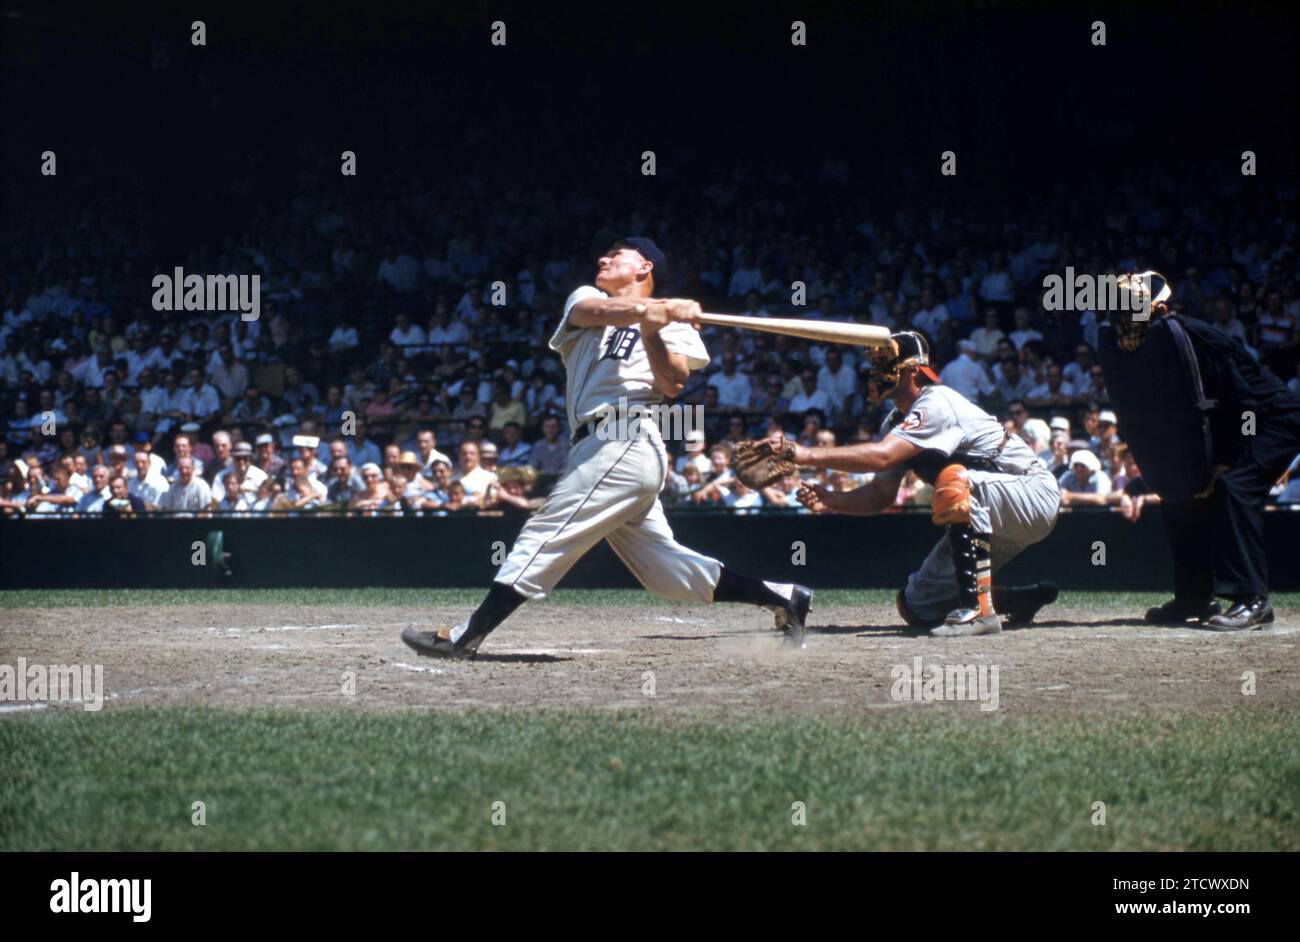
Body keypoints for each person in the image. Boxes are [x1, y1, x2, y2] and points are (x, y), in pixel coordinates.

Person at [401, 237, 812, 660]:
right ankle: (785, 596)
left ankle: (465, 638)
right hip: (598, 446)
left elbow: (671, 383)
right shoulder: (588, 297)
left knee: (546, 532)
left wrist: (656, 326)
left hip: (625, 438)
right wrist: (650, 311)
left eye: (617, 255)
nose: (604, 258)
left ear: (645, 266)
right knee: (665, 572)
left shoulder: (675, 324)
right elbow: (590, 313)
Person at [785, 331, 1059, 636]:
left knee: (954, 480)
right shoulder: (895, 422)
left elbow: (882, 457)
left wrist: (806, 454)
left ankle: (978, 613)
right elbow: (879, 495)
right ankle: (1019, 599)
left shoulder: (936, 403)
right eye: (874, 365)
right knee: (917, 606)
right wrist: (832, 500)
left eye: (885, 364)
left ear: (913, 370)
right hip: (991, 507)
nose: (875, 374)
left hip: (1031, 492)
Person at [1097, 271, 1300, 629]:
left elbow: (1244, 402)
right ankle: (1194, 596)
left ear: (1158, 309)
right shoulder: (1141, 351)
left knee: (1233, 487)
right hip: (1225, 422)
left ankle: (1253, 600)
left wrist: (1224, 463)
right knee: (1180, 494)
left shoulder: (1195, 337)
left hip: (1268, 419)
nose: (1123, 319)